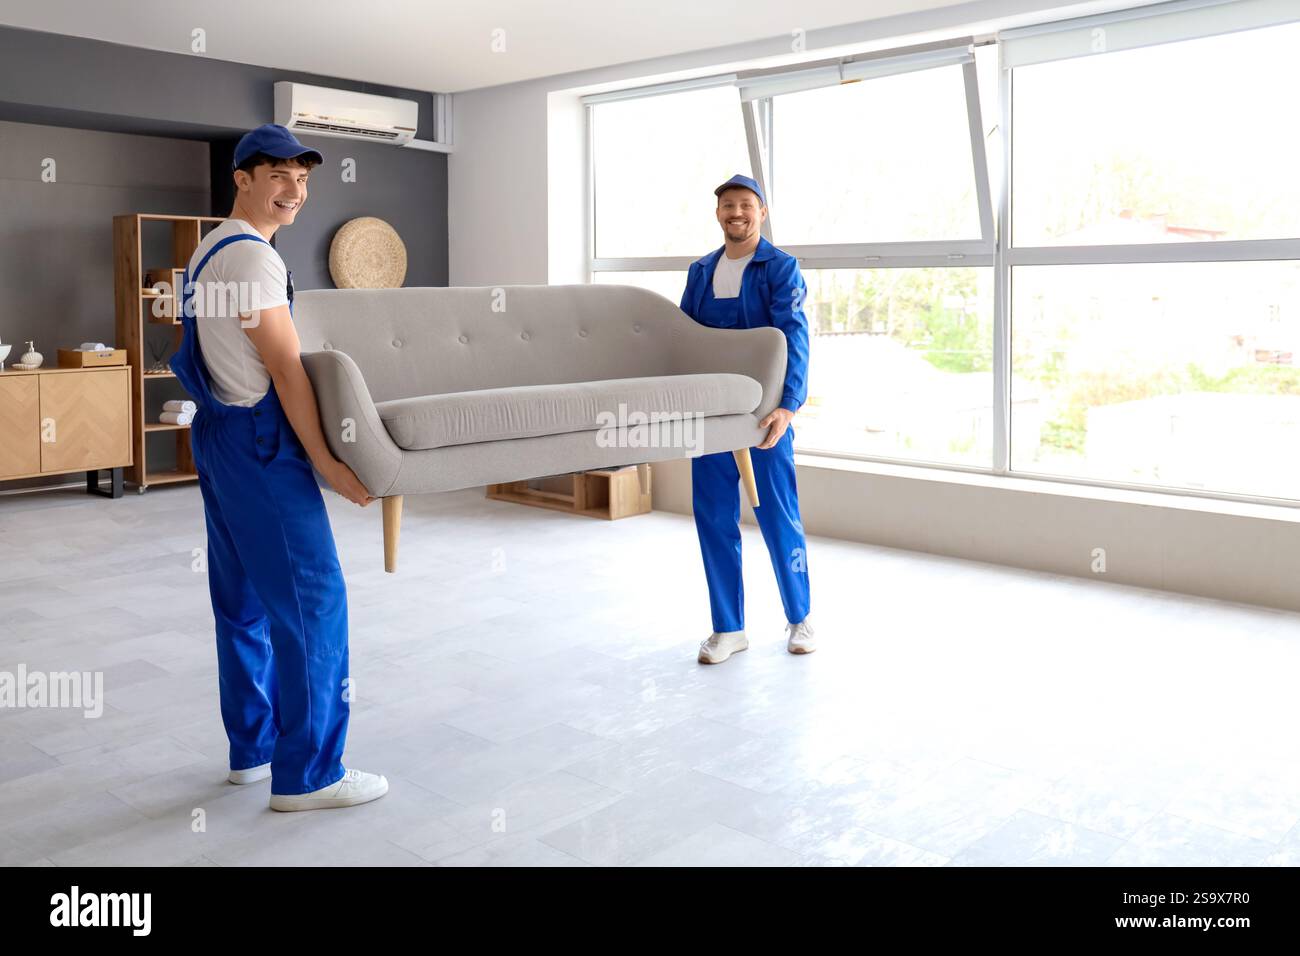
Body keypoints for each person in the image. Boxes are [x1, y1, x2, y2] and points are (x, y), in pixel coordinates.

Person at [172, 123, 387, 811]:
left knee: (242, 602)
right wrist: (327, 462)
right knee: (313, 599)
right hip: (260, 442)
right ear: (242, 179)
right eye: (278, 177)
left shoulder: (210, 248)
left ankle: (254, 750)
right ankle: (310, 775)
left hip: (219, 435)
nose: (294, 190)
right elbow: (288, 372)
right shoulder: (253, 259)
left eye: (302, 178)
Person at [680, 174, 815, 664]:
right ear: (717, 213)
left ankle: (800, 619)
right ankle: (728, 628)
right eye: (728, 206)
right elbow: (683, 336)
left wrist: (788, 405)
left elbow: (793, 336)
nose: (736, 213)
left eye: (745, 205)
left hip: (764, 414)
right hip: (710, 413)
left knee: (778, 514)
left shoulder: (780, 268)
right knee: (713, 516)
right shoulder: (700, 271)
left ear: (761, 212)